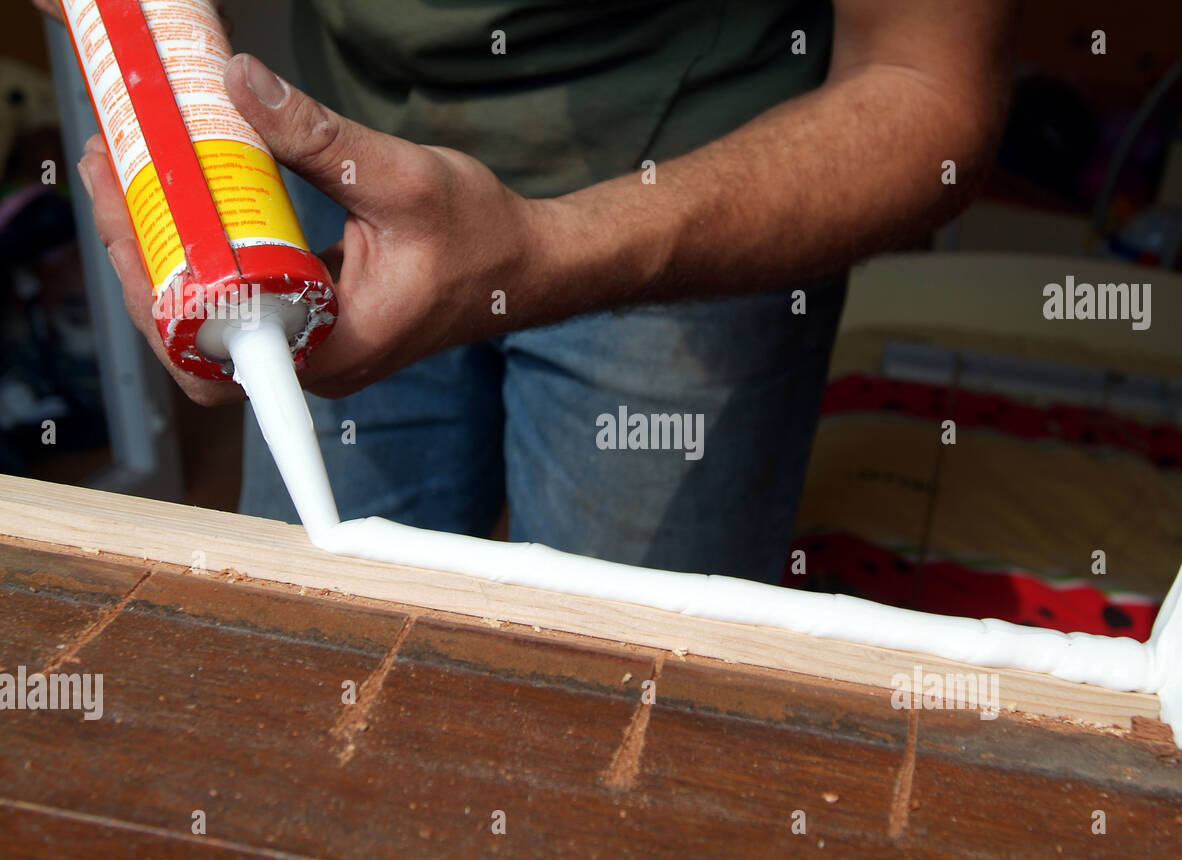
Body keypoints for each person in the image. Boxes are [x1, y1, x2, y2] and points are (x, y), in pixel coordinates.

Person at [40, 0, 1014, 583]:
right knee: (309, 669)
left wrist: (549, 250)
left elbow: (925, 86)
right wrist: (161, 96)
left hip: (701, 188)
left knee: (626, 709)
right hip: (335, 176)